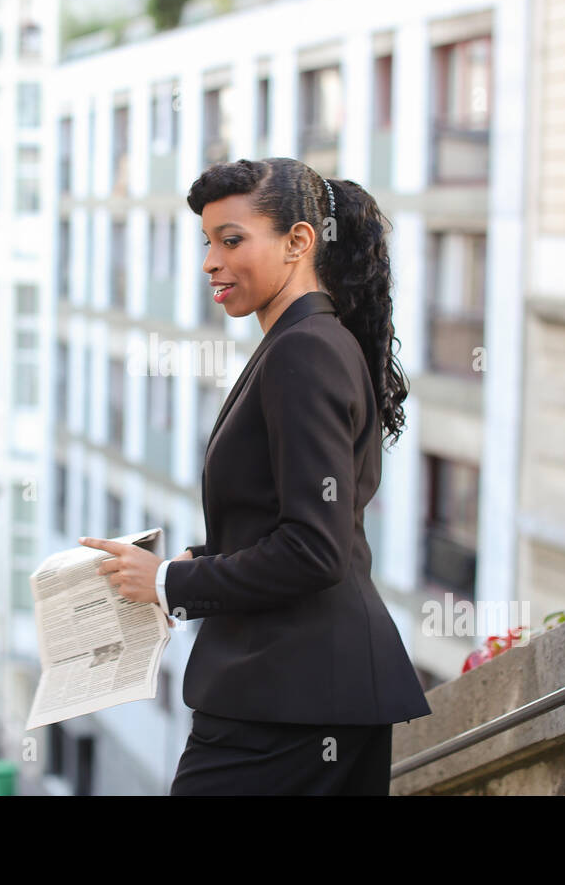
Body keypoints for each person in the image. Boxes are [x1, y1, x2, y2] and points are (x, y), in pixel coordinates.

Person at [79, 157, 432, 795]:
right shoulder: (305, 343)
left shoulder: (306, 350)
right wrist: (191, 563)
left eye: (232, 240)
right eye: (208, 243)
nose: (210, 262)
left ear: (299, 242)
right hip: (303, 694)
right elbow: (287, 523)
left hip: (292, 699)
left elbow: (315, 549)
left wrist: (168, 582)